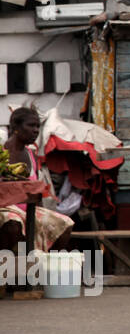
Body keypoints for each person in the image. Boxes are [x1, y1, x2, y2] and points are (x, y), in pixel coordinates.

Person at [0, 106, 75, 255]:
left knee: (65, 225)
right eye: (30, 125)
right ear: (15, 127)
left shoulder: (31, 155)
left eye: (37, 126)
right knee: (13, 224)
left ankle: (43, 263)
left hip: (29, 210)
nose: (35, 130)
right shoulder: (2, 153)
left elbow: (35, 191)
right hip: (5, 208)